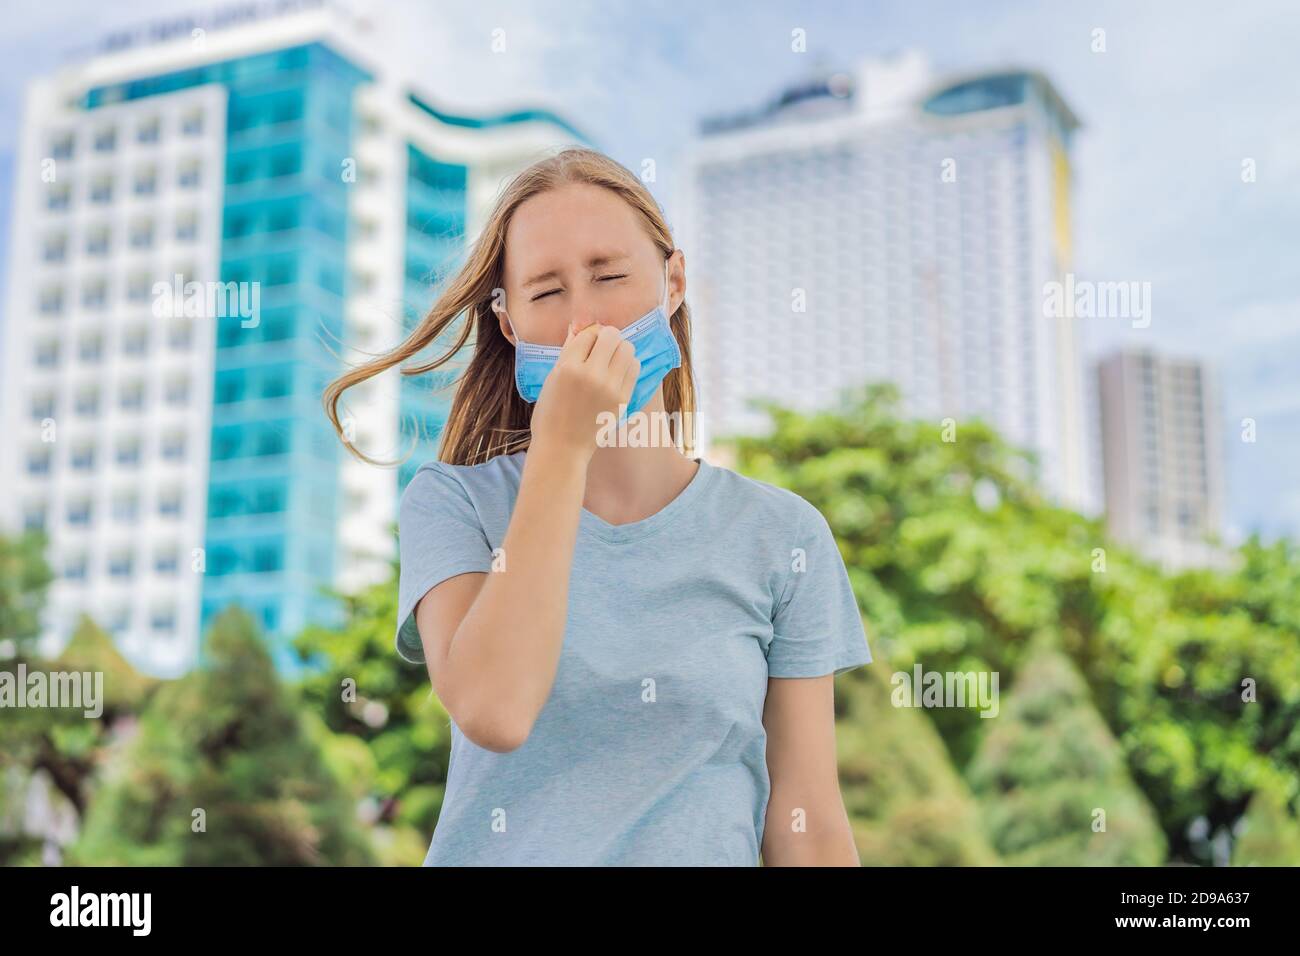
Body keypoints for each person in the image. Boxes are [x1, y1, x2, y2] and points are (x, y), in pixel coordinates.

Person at [324, 146, 872, 866]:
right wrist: (561, 446)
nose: (584, 322)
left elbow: (809, 824)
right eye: (546, 293)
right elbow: (495, 709)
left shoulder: (781, 535)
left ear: (673, 283)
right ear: (510, 323)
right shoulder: (453, 503)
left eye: (609, 277)